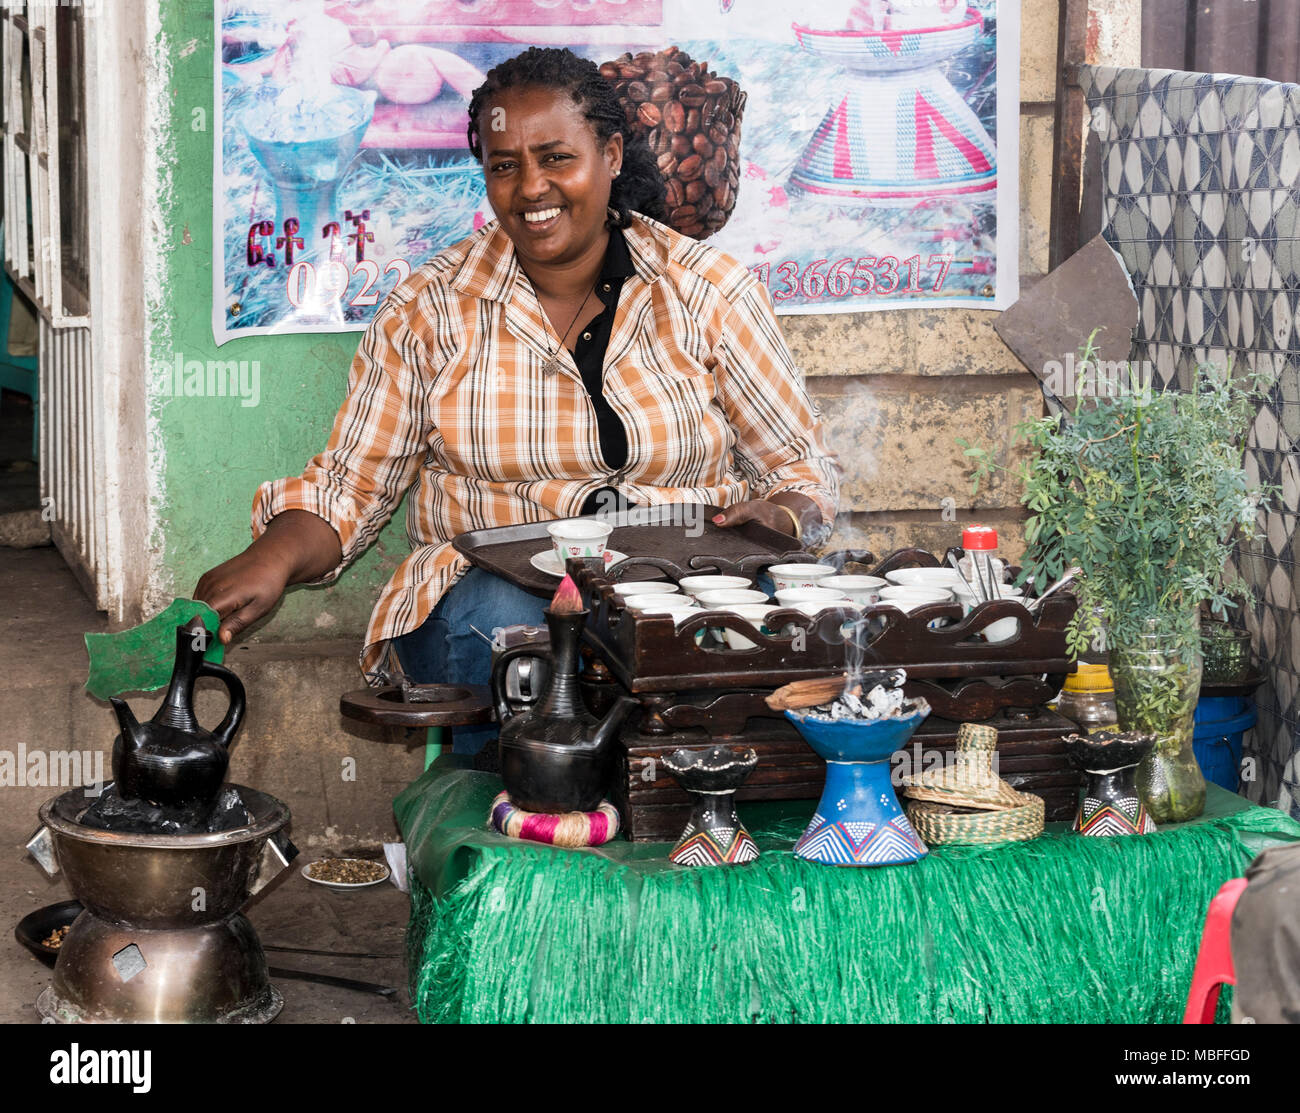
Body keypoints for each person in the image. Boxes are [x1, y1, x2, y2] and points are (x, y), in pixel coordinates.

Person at [197, 47, 840, 753]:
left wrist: (780, 514)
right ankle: (518, 822)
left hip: (675, 589)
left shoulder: (708, 292)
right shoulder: (432, 308)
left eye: (557, 157)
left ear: (613, 154)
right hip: (492, 600)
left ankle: (698, 810)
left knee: (791, 619)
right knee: (515, 632)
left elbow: (801, 476)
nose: (532, 188)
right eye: (505, 166)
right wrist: (276, 557)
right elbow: (351, 486)